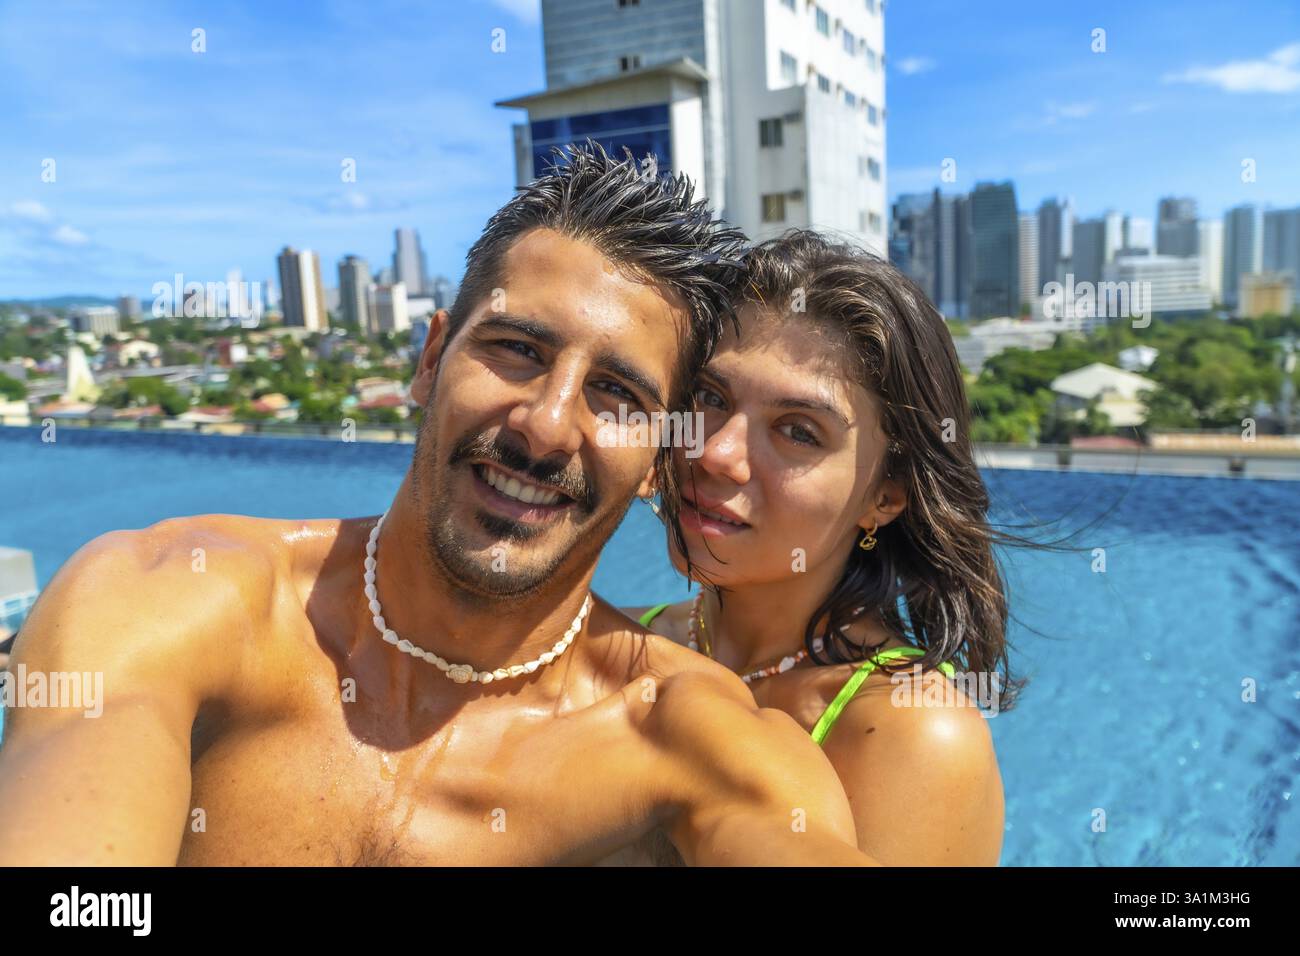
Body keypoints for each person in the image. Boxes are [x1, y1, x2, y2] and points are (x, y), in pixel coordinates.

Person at [0, 146, 882, 866]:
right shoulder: (169, 601)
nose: (545, 427)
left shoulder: (690, 742)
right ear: (431, 361)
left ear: (660, 459)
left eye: (617, 392)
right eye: (515, 349)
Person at [625, 230, 1018, 865]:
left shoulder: (911, 733)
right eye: (708, 398)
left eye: (798, 432)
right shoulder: (618, 644)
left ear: (885, 497)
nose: (715, 453)